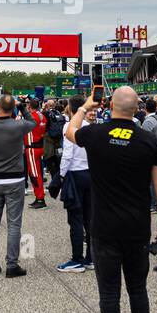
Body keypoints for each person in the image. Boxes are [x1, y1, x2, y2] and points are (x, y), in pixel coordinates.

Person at [66, 86, 157, 313]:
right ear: (136, 108)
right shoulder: (150, 142)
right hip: (136, 228)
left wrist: (85, 108)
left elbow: (70, 131)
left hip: (104, 228)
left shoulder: (95, 134)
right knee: (138, 290)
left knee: (109, 294)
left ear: (110, 104)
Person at [0, 94, 36, 277]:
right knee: (14, 223)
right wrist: (22, 108)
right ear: (13, 108)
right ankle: (12, 264)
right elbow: (32, 122)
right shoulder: (18, 126)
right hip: (14, 178)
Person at [57, 95, 95, 272]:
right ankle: (91, 257)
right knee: (89, 218)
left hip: (75, 173)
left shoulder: (70, 125)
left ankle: (77, 258)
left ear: (71, 109)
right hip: (90, 173)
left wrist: (62, 175)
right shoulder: (91, 126)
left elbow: (68, 154)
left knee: (75, 219)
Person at [23, 98, 48, 209]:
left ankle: (40, 198)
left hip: (32, 148)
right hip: (40, 145)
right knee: (37, 173)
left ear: (29, 106)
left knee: (34, 175)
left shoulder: (31, 117)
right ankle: (39, 196)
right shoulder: (42, 115)